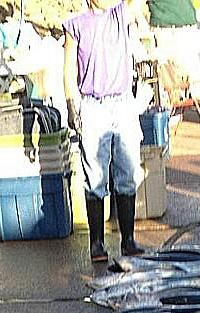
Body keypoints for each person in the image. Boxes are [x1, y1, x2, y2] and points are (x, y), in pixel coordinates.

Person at [64, 0, 145, 264]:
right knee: (95, 177)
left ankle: (128, 239)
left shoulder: (120, 14)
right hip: (92, 105)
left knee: (127, 172)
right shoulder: (75, 24)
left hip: (123, 102)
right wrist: (71, 104)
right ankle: (97, 243)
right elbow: (69, 69)